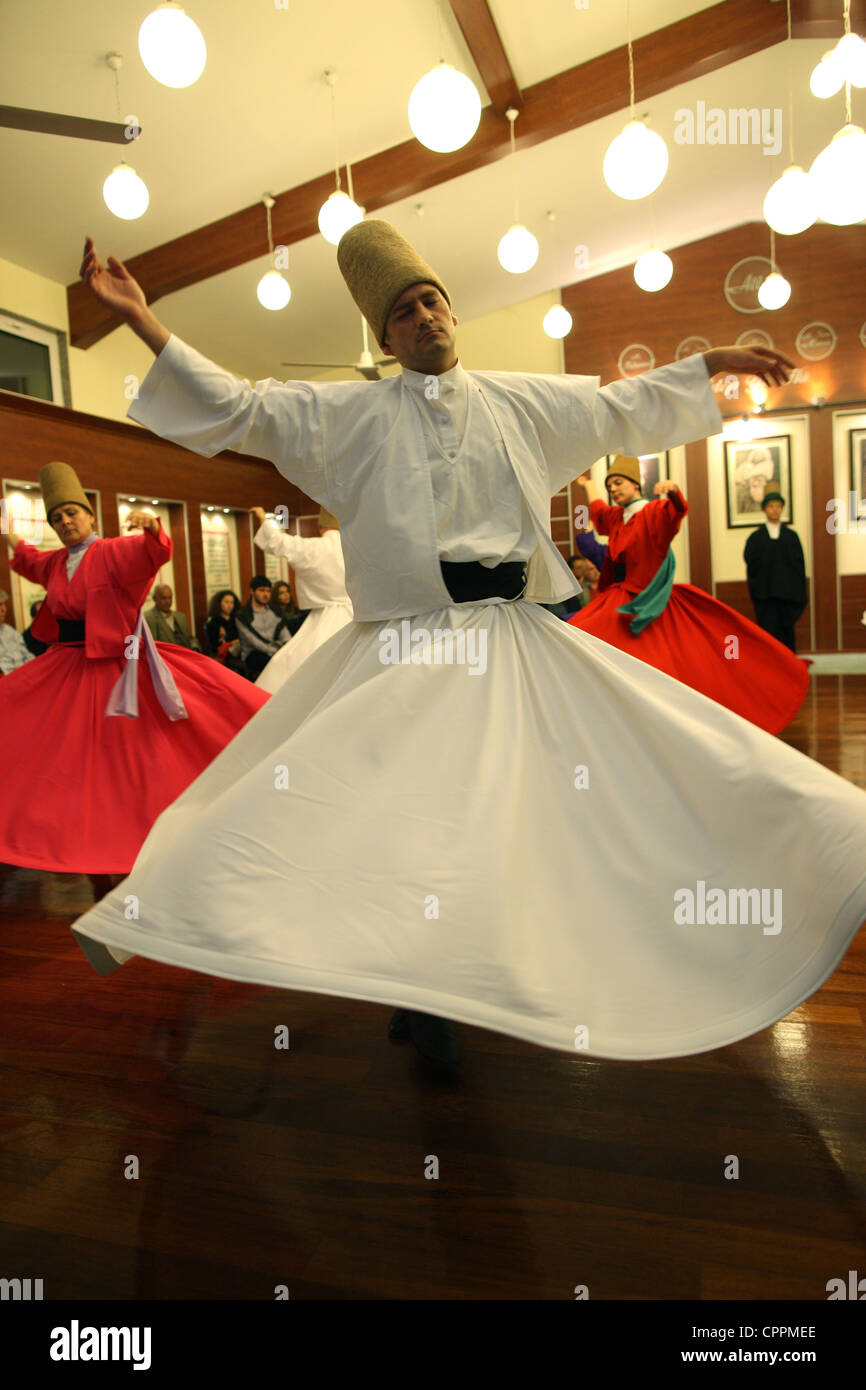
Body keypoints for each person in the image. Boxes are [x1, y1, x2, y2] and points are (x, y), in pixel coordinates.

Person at [67, 226, 866, 1076]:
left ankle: (772, 867)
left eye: (431, 301)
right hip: (404, 651)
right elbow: (242, 407)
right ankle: (421, 989)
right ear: (386, 341)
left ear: (451, 311)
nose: (424, 318)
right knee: (410, 823)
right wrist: (143, 324)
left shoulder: (519, 400)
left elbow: (616, 407)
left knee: (606, 777)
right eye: (404, 314)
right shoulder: (348, 416)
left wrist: (709, 365)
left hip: (514, 642)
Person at [0, 461, 270, 889]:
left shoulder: (110, 551)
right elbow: (26, 557)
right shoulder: (55, 564)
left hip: (115, 667)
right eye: (56, 518)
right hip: (68, 666)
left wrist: (150, 528)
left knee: (130, 759)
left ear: (90, 514)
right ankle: (74, 840)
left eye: (72, 513)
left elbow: (154, 552)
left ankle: (148, 837)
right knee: (49, 744)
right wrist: (6, 527)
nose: (65, 522)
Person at [568, 457, 808, 733]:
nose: (613, 489)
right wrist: (588, 485)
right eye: (610, 485)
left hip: (648, 600)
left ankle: (671, 724)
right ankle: (616, 722)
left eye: (619, 483)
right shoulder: (616, 518)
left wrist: (672, 490)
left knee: (677, 666)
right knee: (584, 637)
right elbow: (598, 509)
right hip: (622, 599)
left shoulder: (653, 512)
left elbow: (675, 512)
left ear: (636, 485)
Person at [250, 504, 353, 693]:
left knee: (297, 670)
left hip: (324, 619)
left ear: (320, 526)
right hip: (357, 617)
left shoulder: (314, 548)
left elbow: (277, 541)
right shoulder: (356, 550)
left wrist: (262, 518)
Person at [743, 492, 808, 652]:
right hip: (766, 597)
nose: (775, 510)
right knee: (768, 634)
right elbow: (751, 562)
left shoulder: (791, 537)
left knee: (787, 634)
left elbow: (799, 567)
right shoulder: (756, 538)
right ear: (765, 509)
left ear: (782, 509)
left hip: (787, 597)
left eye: (778, 506)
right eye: (771, 506)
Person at [234, 574, 289, 680]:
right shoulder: (243, 615)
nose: (266, 594)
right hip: (254, 653)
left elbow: (284, 633)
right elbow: (253, 641)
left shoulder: (275, 611)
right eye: (261, 590)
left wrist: (289, 647)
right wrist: (274, 652)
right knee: (269, 662)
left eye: (268, 591)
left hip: (276, 650)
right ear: (252, 591)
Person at [145, 583, 201, 650]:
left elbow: (189, 638)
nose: (168, 601)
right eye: (163, 598)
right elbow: (152, 645)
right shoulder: (149, 617)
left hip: (185, 655)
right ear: (155, 599)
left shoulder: (181, 617)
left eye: (170, 597)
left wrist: (195, 647)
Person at [204, 589, 244, 675]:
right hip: (222, 657)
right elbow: (213, 645)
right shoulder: (213, 622)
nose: (230, 605)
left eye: (232, 602)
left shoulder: (237, 620)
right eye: (226, 602)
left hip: (239, 654)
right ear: (219, 604)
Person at [0, 588, 35, 674]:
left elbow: (27, 656)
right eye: (0, 605)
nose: (4, 609)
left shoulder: (10, 631)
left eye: (4, 604)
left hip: (25, 678)